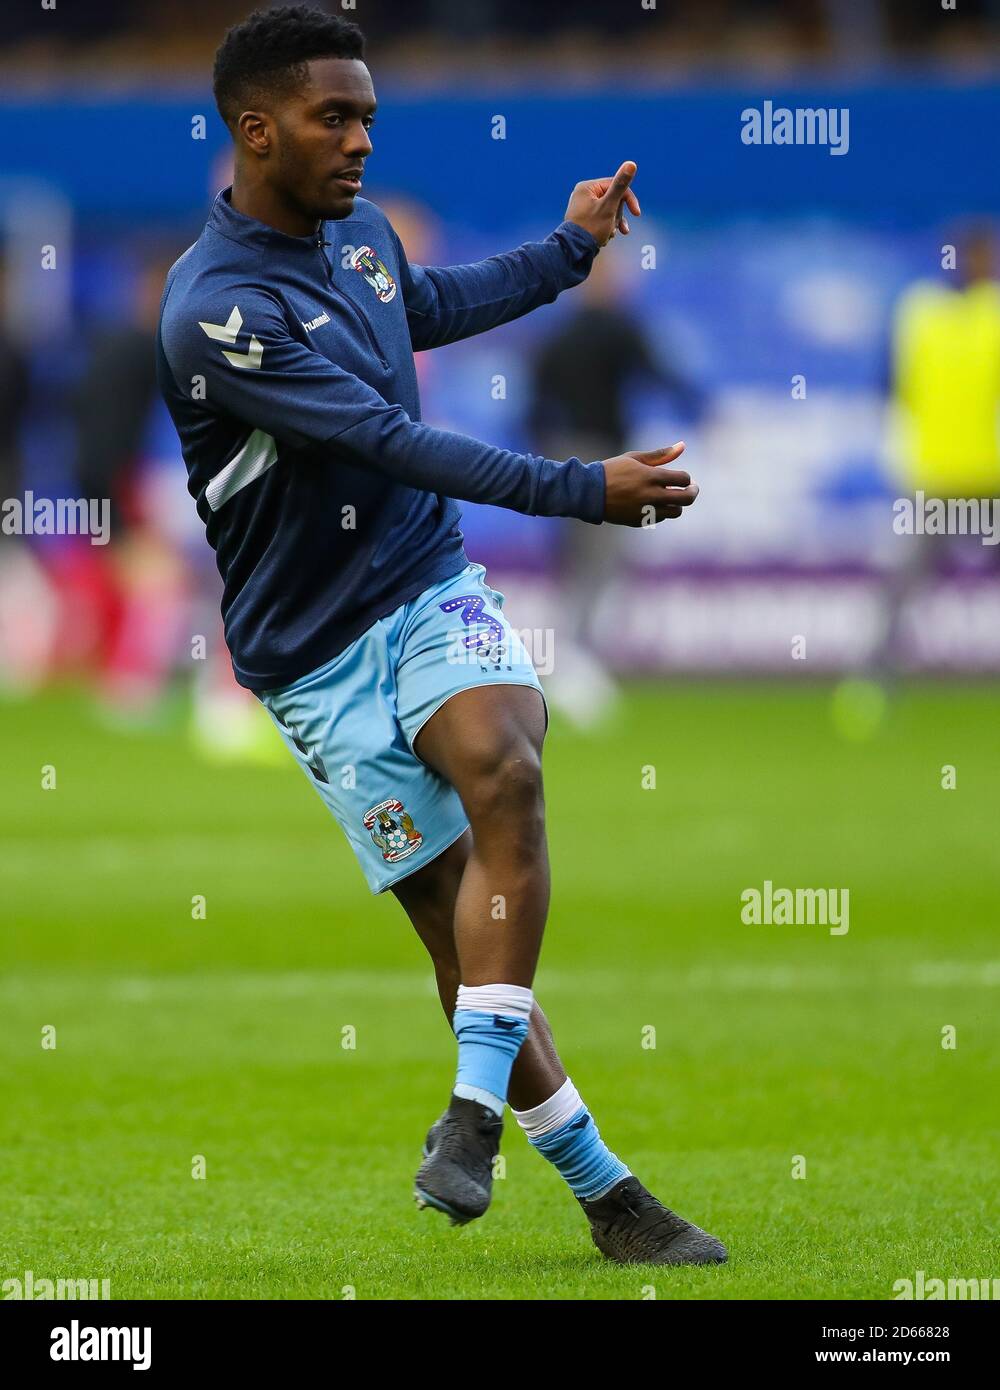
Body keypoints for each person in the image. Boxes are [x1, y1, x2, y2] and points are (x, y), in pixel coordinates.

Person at [157, 4, 723, 1266]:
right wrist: (582, 487)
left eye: (367, 115)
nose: (360, 141)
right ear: (257, 130)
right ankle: (608, 1195)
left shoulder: (355, 236)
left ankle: (469, 1112)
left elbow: (426, 305)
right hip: (311, 653)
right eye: (334, 117)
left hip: (419, 577)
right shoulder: (216, 310)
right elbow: (385, 436)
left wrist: (566, 252)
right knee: (448, 918)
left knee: (508, 766)